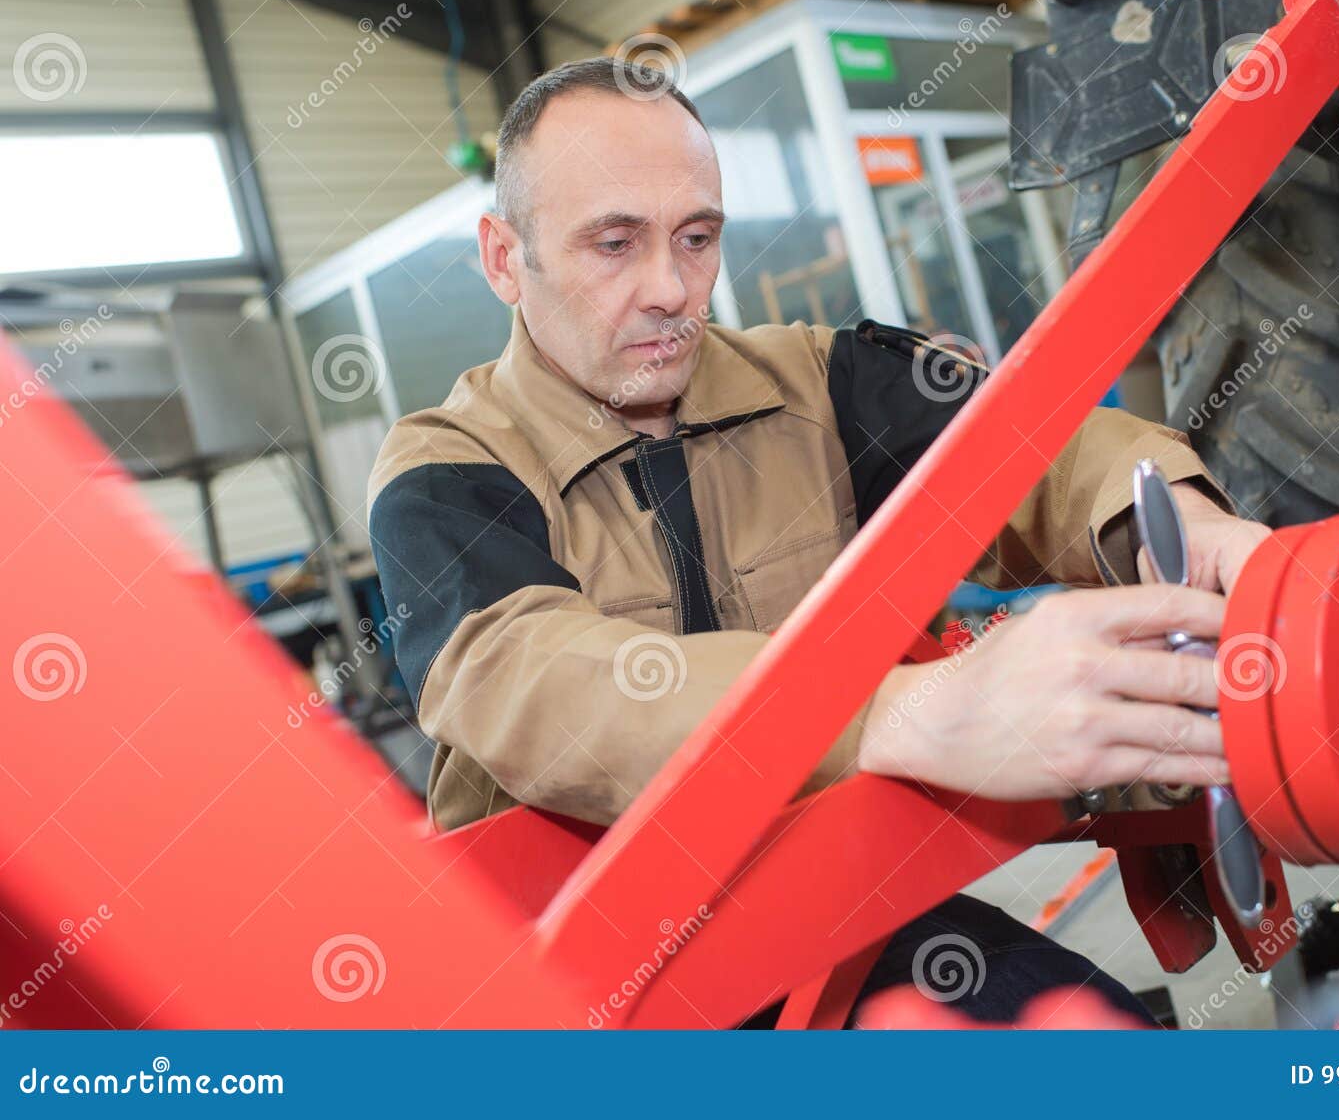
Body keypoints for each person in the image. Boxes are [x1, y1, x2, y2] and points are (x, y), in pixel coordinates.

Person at [366, 57, 1270, 1025]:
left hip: (828, 924)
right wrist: (901, 711)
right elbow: (536, 679)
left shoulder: (817, 384)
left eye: (697, 237)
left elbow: (1032, 447)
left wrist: (1178, 520)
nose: (671, 287)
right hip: (582, 1002)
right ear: (505, 256)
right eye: (614, 244)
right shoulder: (445, 471)